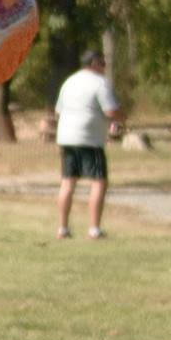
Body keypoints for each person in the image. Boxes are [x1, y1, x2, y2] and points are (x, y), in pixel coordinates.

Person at [53, 49, 123, 240]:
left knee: (68, 181)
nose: (104, 67)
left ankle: (63, 228)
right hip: (89, 140)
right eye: (102, 63)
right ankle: (94, 229)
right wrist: (122, 119)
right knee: (99, 182)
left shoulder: (69, 82)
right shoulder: (100, 83)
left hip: (66, 137)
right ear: (94, 63)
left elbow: (58, 111)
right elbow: (111, 112)